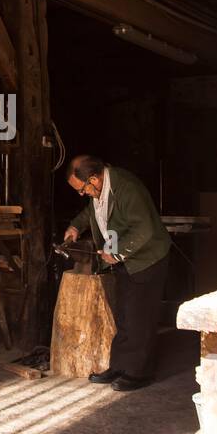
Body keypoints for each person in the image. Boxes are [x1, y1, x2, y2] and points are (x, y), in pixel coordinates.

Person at [63, 155, 170, 391]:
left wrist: (118, 253)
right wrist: (75, 226)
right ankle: (120, 366)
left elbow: (145, 228)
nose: (82, 194)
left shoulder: (126, 187)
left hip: (146, 260)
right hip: (124, 261)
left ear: (94, 178)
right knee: (123, 315)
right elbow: (92, 211)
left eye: (82, 189)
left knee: (139, 318)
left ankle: (139, 373)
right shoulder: (99, 191)